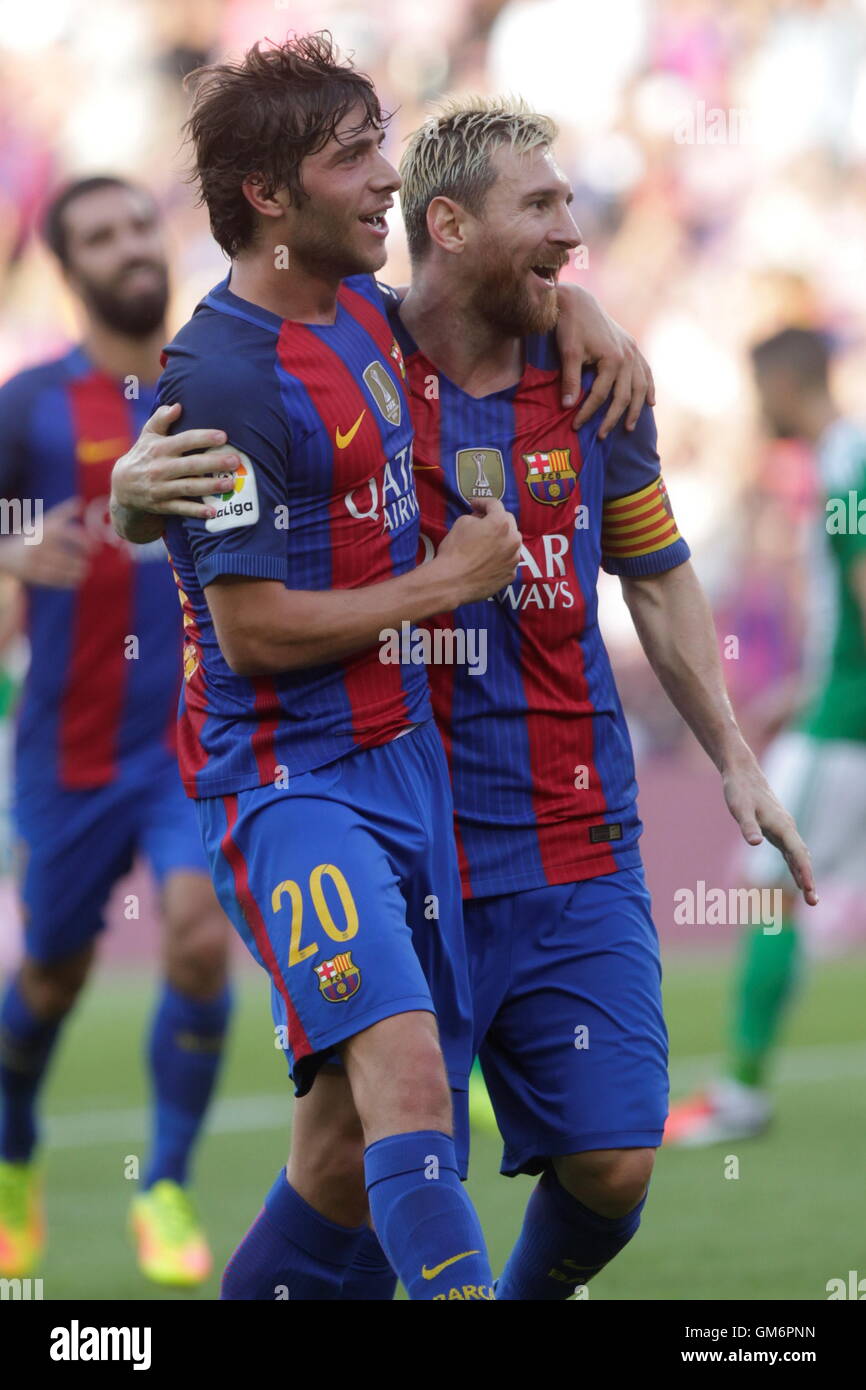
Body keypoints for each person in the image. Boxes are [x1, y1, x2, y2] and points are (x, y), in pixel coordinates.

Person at [114, 80, 815, 1299]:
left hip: (548, 820)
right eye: (538, 205)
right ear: (450, 226)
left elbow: (655, 574)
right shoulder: (342, 331)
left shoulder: (579, 375)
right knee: (358, 1152)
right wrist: (133, 501)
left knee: (606, 1159)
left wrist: (733, 759)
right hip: (358, 795)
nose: (570, 231)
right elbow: (234, 546)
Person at [0, 177, 234, 1286]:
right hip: (70, 749)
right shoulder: (30, 405)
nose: (129, 246)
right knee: (50, 973)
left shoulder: (217, 374)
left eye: (140, 223)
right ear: (69, 267)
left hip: (195, 737)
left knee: (196, 934)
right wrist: (8, 546)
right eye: (99, 235)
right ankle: (11, 1153)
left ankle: (169, 1184)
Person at [666, 327, 863, 1147]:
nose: (758, 408)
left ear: (785, 382)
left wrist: (829, 695)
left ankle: (742, 1090)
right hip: (833, 702)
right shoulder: (842, 457)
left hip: (846, 725)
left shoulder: (847, 462)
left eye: (761, 390)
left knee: (771, 889)